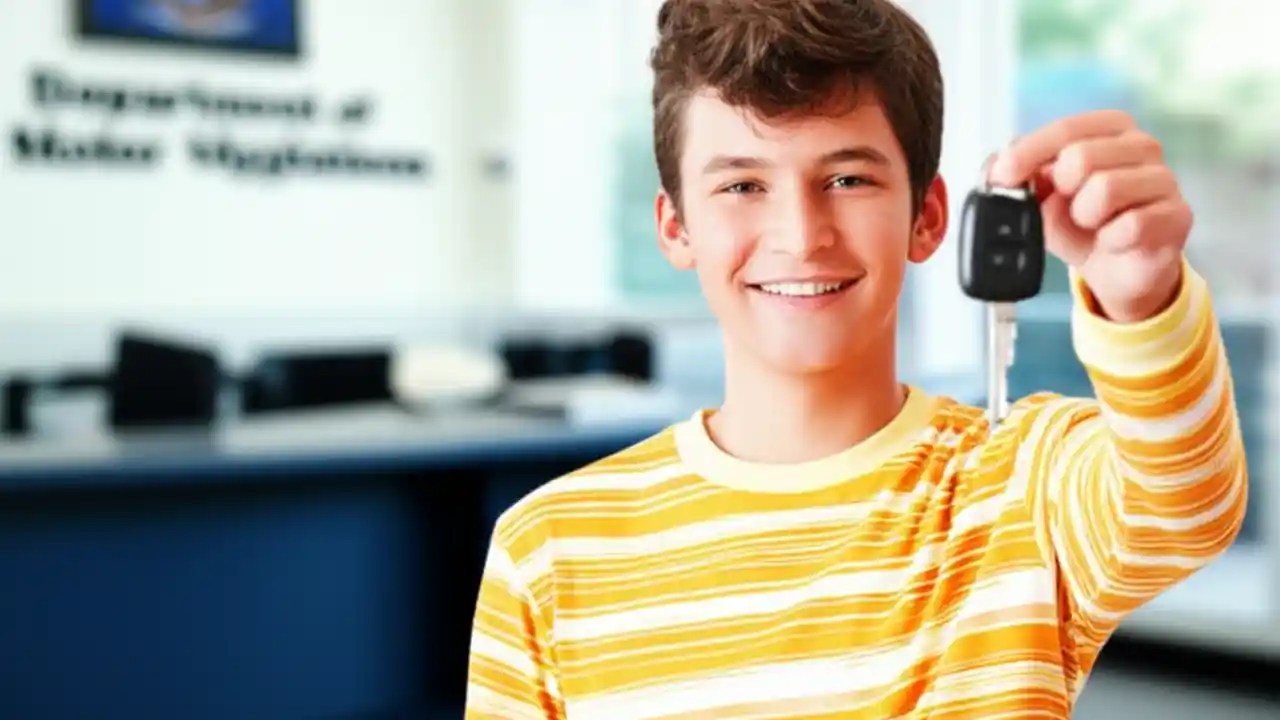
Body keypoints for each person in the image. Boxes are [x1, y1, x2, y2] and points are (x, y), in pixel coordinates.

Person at [464, 0, 1249, 717]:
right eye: (741, 185)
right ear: (676, 228)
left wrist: (1141, 298)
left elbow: (1185, 509)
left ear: (928, 216)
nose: (801, 235)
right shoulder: (548, 550)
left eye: (846, 178)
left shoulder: (1023, 486)